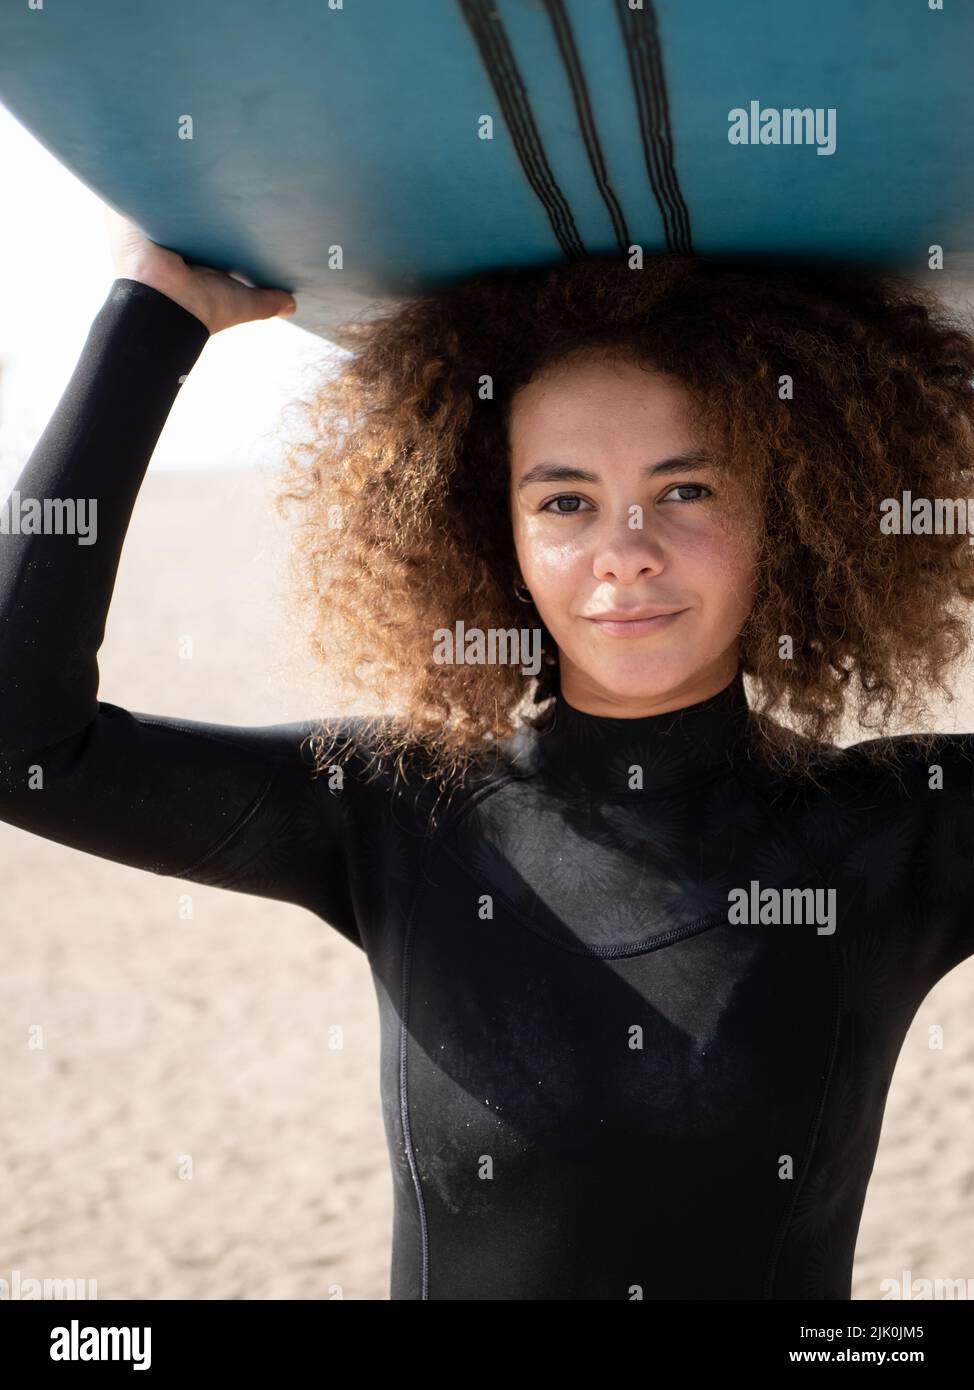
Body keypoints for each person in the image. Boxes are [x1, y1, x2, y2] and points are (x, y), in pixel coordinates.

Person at [2, 215, 974, 1301]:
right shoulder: (393, 809)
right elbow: (22, 739)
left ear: (785, 513)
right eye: (565, 501)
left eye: (687, 490)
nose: (626, 553)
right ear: (491, 532)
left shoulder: (901, 832)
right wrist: (150, 322)